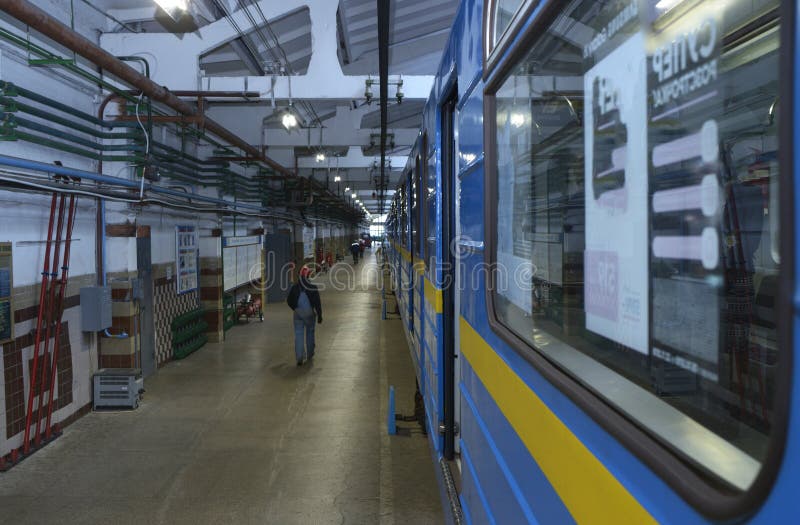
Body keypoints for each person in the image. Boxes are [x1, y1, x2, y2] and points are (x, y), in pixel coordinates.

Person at [286, 266, 322, 366]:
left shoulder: (295, 288)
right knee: (310, 332)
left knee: (298, 334)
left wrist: (295, 308)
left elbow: (289, 301)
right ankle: (310, 354)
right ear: (308, 275)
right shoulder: (313, 287)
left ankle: (299, 357)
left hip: (298, 313)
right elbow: (317, 303)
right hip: (309, 313)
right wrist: (319, 315)